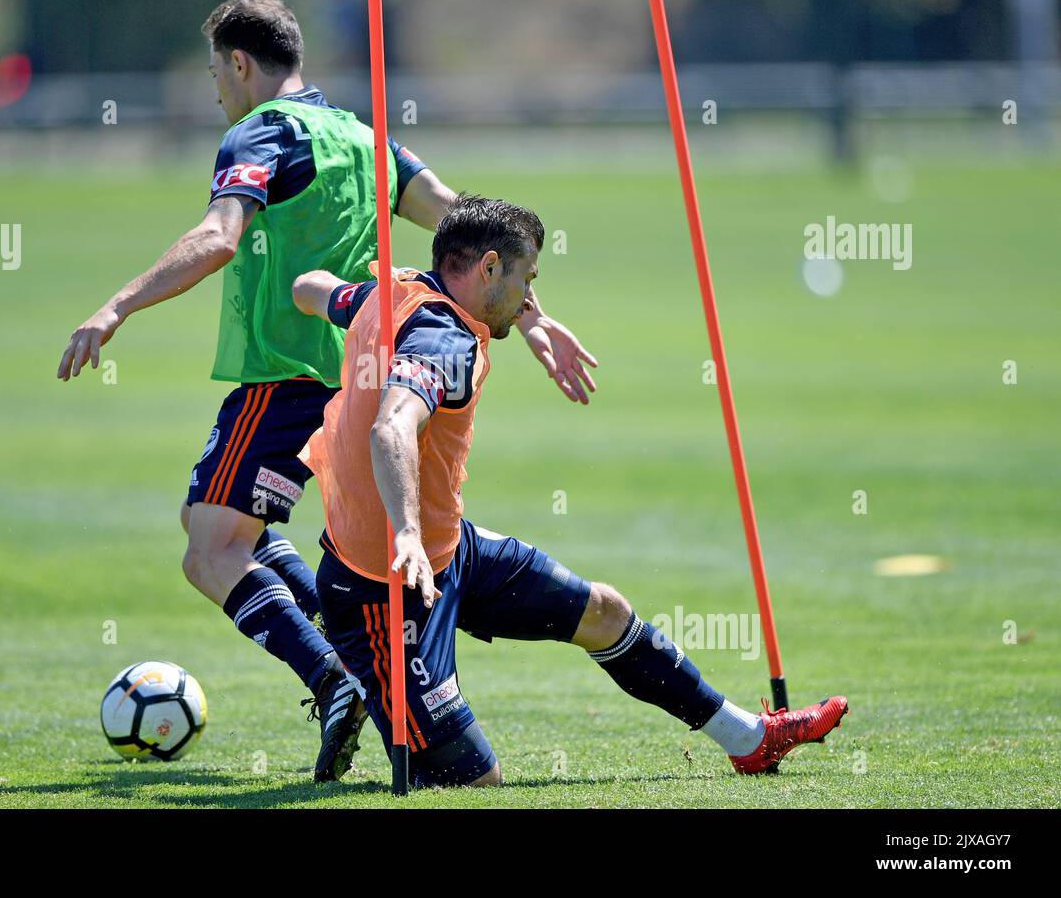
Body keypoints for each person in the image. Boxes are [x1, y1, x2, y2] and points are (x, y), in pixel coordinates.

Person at [55, 0, 597, 781]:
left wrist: (116, 307)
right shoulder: (363, 136)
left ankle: (333, 678)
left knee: (210, 553)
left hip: (287, 372)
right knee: (217, 523)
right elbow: (463, 221)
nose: (216, 90)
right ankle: (339, 651)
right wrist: (535, 317)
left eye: (216, 71)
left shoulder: (261, 131)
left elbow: (218, 237)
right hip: (363, 379)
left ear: (240, 63)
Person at [293, 194, 848, 787]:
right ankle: (353, 667)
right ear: (487, 268)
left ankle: (751, 740)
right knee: (477, 783)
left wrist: (528, 323)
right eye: (527, 279)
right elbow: (392, 426)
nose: (530, 297)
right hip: (384, 584)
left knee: (604, 612)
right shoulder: (443, 341)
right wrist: (404, 530)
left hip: (449, 550)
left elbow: (310, 286)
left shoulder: (391, 291)